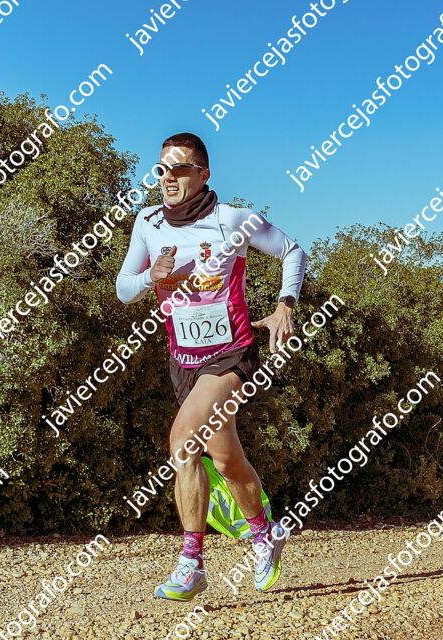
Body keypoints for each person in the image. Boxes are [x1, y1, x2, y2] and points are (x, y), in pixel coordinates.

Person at [115, 132, 307, 600]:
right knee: (226, 460)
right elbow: (123, 288)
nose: (168, 178)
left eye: (179, 168)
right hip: (183, 360)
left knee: (182, 444)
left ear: (203, 174)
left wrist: (285, 305)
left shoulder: (232, 220)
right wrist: (150, 277)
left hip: (231, 355)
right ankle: (265, 533)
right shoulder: (148, 222)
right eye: (162, 169)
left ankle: (191, 563)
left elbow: (293, 251)